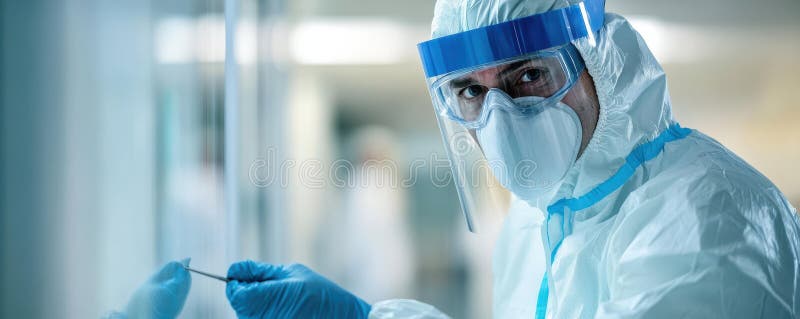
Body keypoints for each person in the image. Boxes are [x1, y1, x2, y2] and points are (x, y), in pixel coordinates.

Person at [126, 0, 800, 317]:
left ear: (599, 62)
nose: (499, 115)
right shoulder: (535, 227)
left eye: (527, 76)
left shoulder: (704, 209)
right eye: (470, 91)